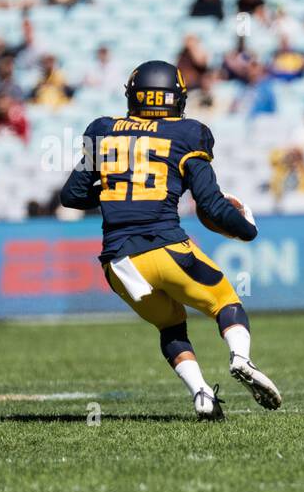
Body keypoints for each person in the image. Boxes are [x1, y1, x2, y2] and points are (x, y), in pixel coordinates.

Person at [59, 60, 282, 420]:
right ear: (176, 98)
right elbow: (210, 204)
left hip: (119, 264)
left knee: (171, 326)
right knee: (226, 302)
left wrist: (117, 189)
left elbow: (71, 196)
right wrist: (247, 230)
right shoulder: (188, 134)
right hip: (166, 249)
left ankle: (202, 395)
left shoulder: (102, 129)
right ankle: (241, 358)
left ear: (134, 96)